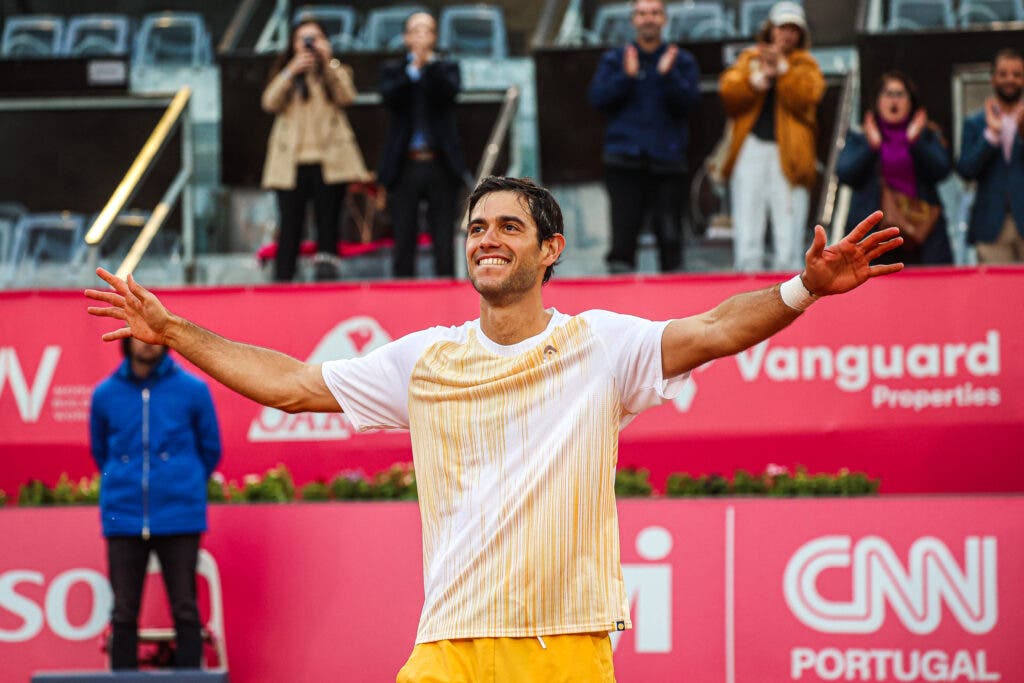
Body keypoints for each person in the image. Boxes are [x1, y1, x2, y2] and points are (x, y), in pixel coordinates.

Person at [85, 176, 902, 681]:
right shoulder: (425, 360)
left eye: (508, 227)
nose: (486, 239)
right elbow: (297, 385)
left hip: (559, 645)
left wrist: (802, 289)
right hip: (448, 645)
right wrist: (179, 331)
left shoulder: (599, 345)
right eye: (477, 228)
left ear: (551, 249)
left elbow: (716, 327)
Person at [89, 338, 221, 670]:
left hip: (180, 516)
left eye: (153, 336)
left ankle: (192, 679)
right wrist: (128, 481)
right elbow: (100, 452)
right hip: (124, 515)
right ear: (126, 340)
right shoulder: (105, 394)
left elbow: (211, 450)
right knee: (122, 612)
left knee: (186, 608)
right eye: (139, 335)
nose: (147, 344)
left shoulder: (193, 390)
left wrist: (179, 483)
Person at [588, 0, 701, 274]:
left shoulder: (680, 60)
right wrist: (626, 77)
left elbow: (690, 103)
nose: (648, 18)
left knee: (671, 240)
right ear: (633, 20)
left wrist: (667, 75)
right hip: (624, 162)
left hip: (667, 164)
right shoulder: (616, 59)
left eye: (654, 13)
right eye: (642, 13)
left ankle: (676, 311)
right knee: (622, 242)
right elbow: (597, 99)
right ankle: (618, 309)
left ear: (663, 19)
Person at [719, 1, 825, 272]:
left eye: (793, 29)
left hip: (790, 155)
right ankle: (745, 288)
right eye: (782, 28)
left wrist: (783, 71)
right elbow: (728, 93)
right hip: (751, 149)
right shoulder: (750, 58)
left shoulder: (806, 65)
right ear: (771, 29)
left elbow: (808, 98)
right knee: (747, 222)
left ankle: (788, 292)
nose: (786, 34)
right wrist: (757, 79)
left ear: (800, 34)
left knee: (788, 229)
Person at [261, 19, 370, 282]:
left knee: (328, 222)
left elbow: (347, 96)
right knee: (290, 225)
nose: (309, 45)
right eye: (303, 40)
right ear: (293, 45)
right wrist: (290, 71)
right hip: (292, 164)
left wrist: (328, 61)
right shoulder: (286, 74)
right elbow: (269, 102)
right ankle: (283, 280)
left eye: (315, 38)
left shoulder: (335, 71)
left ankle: (326, 277)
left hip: (329, 162)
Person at [377, 12, 467, 279]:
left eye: (427, 31)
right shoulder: (394, 71)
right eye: (415, 31)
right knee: (404, 232)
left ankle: (446, 288)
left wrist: (429, 68)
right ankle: (403, 290)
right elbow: (390, 98)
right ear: (406, 38)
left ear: (434, 37)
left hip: (440, 162)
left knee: (443, 234)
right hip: (405, 163)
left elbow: (450, 92)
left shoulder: (446, 68)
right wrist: (413, 70)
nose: (420, 36)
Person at [836, 70, 953, 265]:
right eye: (888, 94)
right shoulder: (861, 136)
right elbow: (845, 173)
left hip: (922, 235)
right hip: (874, 234)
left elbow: (943, 170)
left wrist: (916, 141)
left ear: (910, 101)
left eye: (900, 94)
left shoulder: (927, 134)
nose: (894, 100)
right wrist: (870, 147)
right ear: (877, 101)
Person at [957, 48, 1024, 264]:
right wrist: (991, 136)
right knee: (996, 296)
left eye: (1016, 74)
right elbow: (966, 170)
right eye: (1003, 74)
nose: (1010, 80)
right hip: (991, 225)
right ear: (993, 78)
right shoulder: (975, 123)